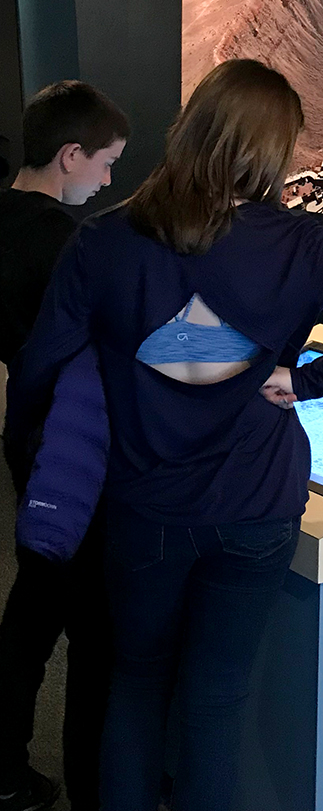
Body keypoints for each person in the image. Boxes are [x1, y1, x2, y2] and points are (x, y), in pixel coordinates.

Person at [9, 58, 323, 811]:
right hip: (258, 508)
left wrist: (42, 465)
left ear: (192, 127)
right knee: (216, 701)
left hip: (144, 508)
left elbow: (40, 367)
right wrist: (302, 381)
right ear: (271, 151)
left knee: (134, 685)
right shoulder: (300, 246)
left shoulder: (105, 240)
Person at [0, 80, 129, 811]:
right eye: (106, 164)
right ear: (71, 154)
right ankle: (93, 785)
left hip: (25, 438)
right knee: (91, 630)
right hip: (73, 450)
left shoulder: (4, 217)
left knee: (33, 604)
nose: (108, 181)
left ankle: (4, 763)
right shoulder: (65, 244)